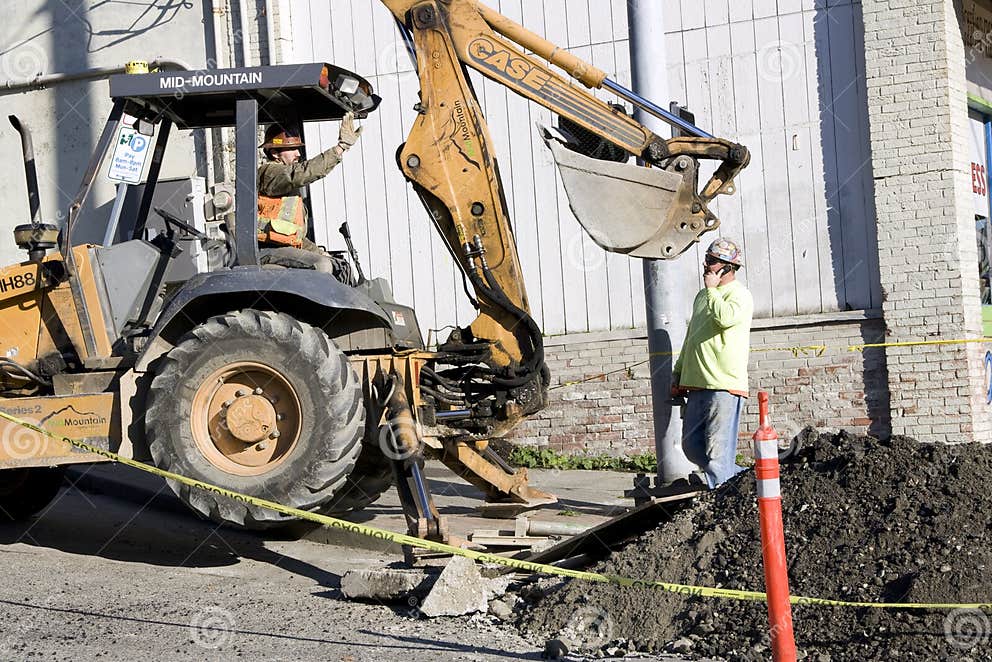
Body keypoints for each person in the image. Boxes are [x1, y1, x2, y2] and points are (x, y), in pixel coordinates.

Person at [671, 237, 753, 488]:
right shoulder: (702, 297)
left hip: (724, 386)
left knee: (717, 455)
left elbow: (725, 319)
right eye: (707, 259)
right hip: (698, 384)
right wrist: (679, 372)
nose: (707, 265)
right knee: (692, 447)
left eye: (714, 261)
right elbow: (692, 336)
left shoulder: (739, 295)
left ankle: (723, 501)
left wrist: (712, 290)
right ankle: (743, 480)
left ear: (729, 267)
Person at [255, 112, 363, 281]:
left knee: (337, 264)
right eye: (292, 149)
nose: (298, 154)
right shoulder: (270, 173)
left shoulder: (286, 188)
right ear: (275, 153)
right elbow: (303, 173)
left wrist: (319, 252)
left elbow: (294, 237)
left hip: (281, 247)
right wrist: (340, 148)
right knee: (322, 265)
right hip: (266, 250)